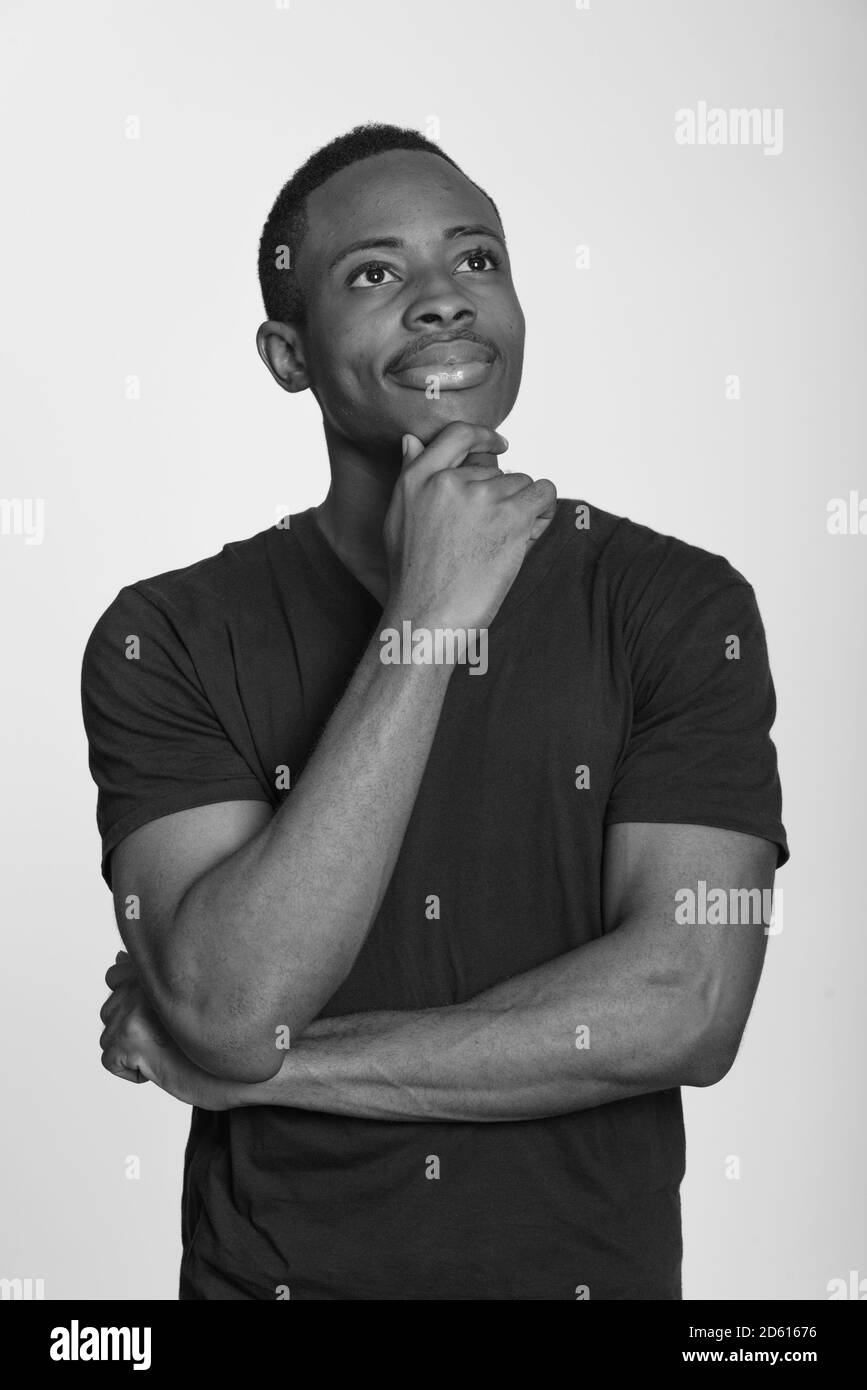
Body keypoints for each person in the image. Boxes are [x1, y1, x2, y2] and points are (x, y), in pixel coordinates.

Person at [82, 123, 789, 1301]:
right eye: (373, 274)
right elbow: (227, 999)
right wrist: (429, 615)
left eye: (476, 261)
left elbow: (686, 1004)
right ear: (287, 353)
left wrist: (258, 1070)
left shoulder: (676, 604)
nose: (442, 303)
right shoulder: (168, 636)